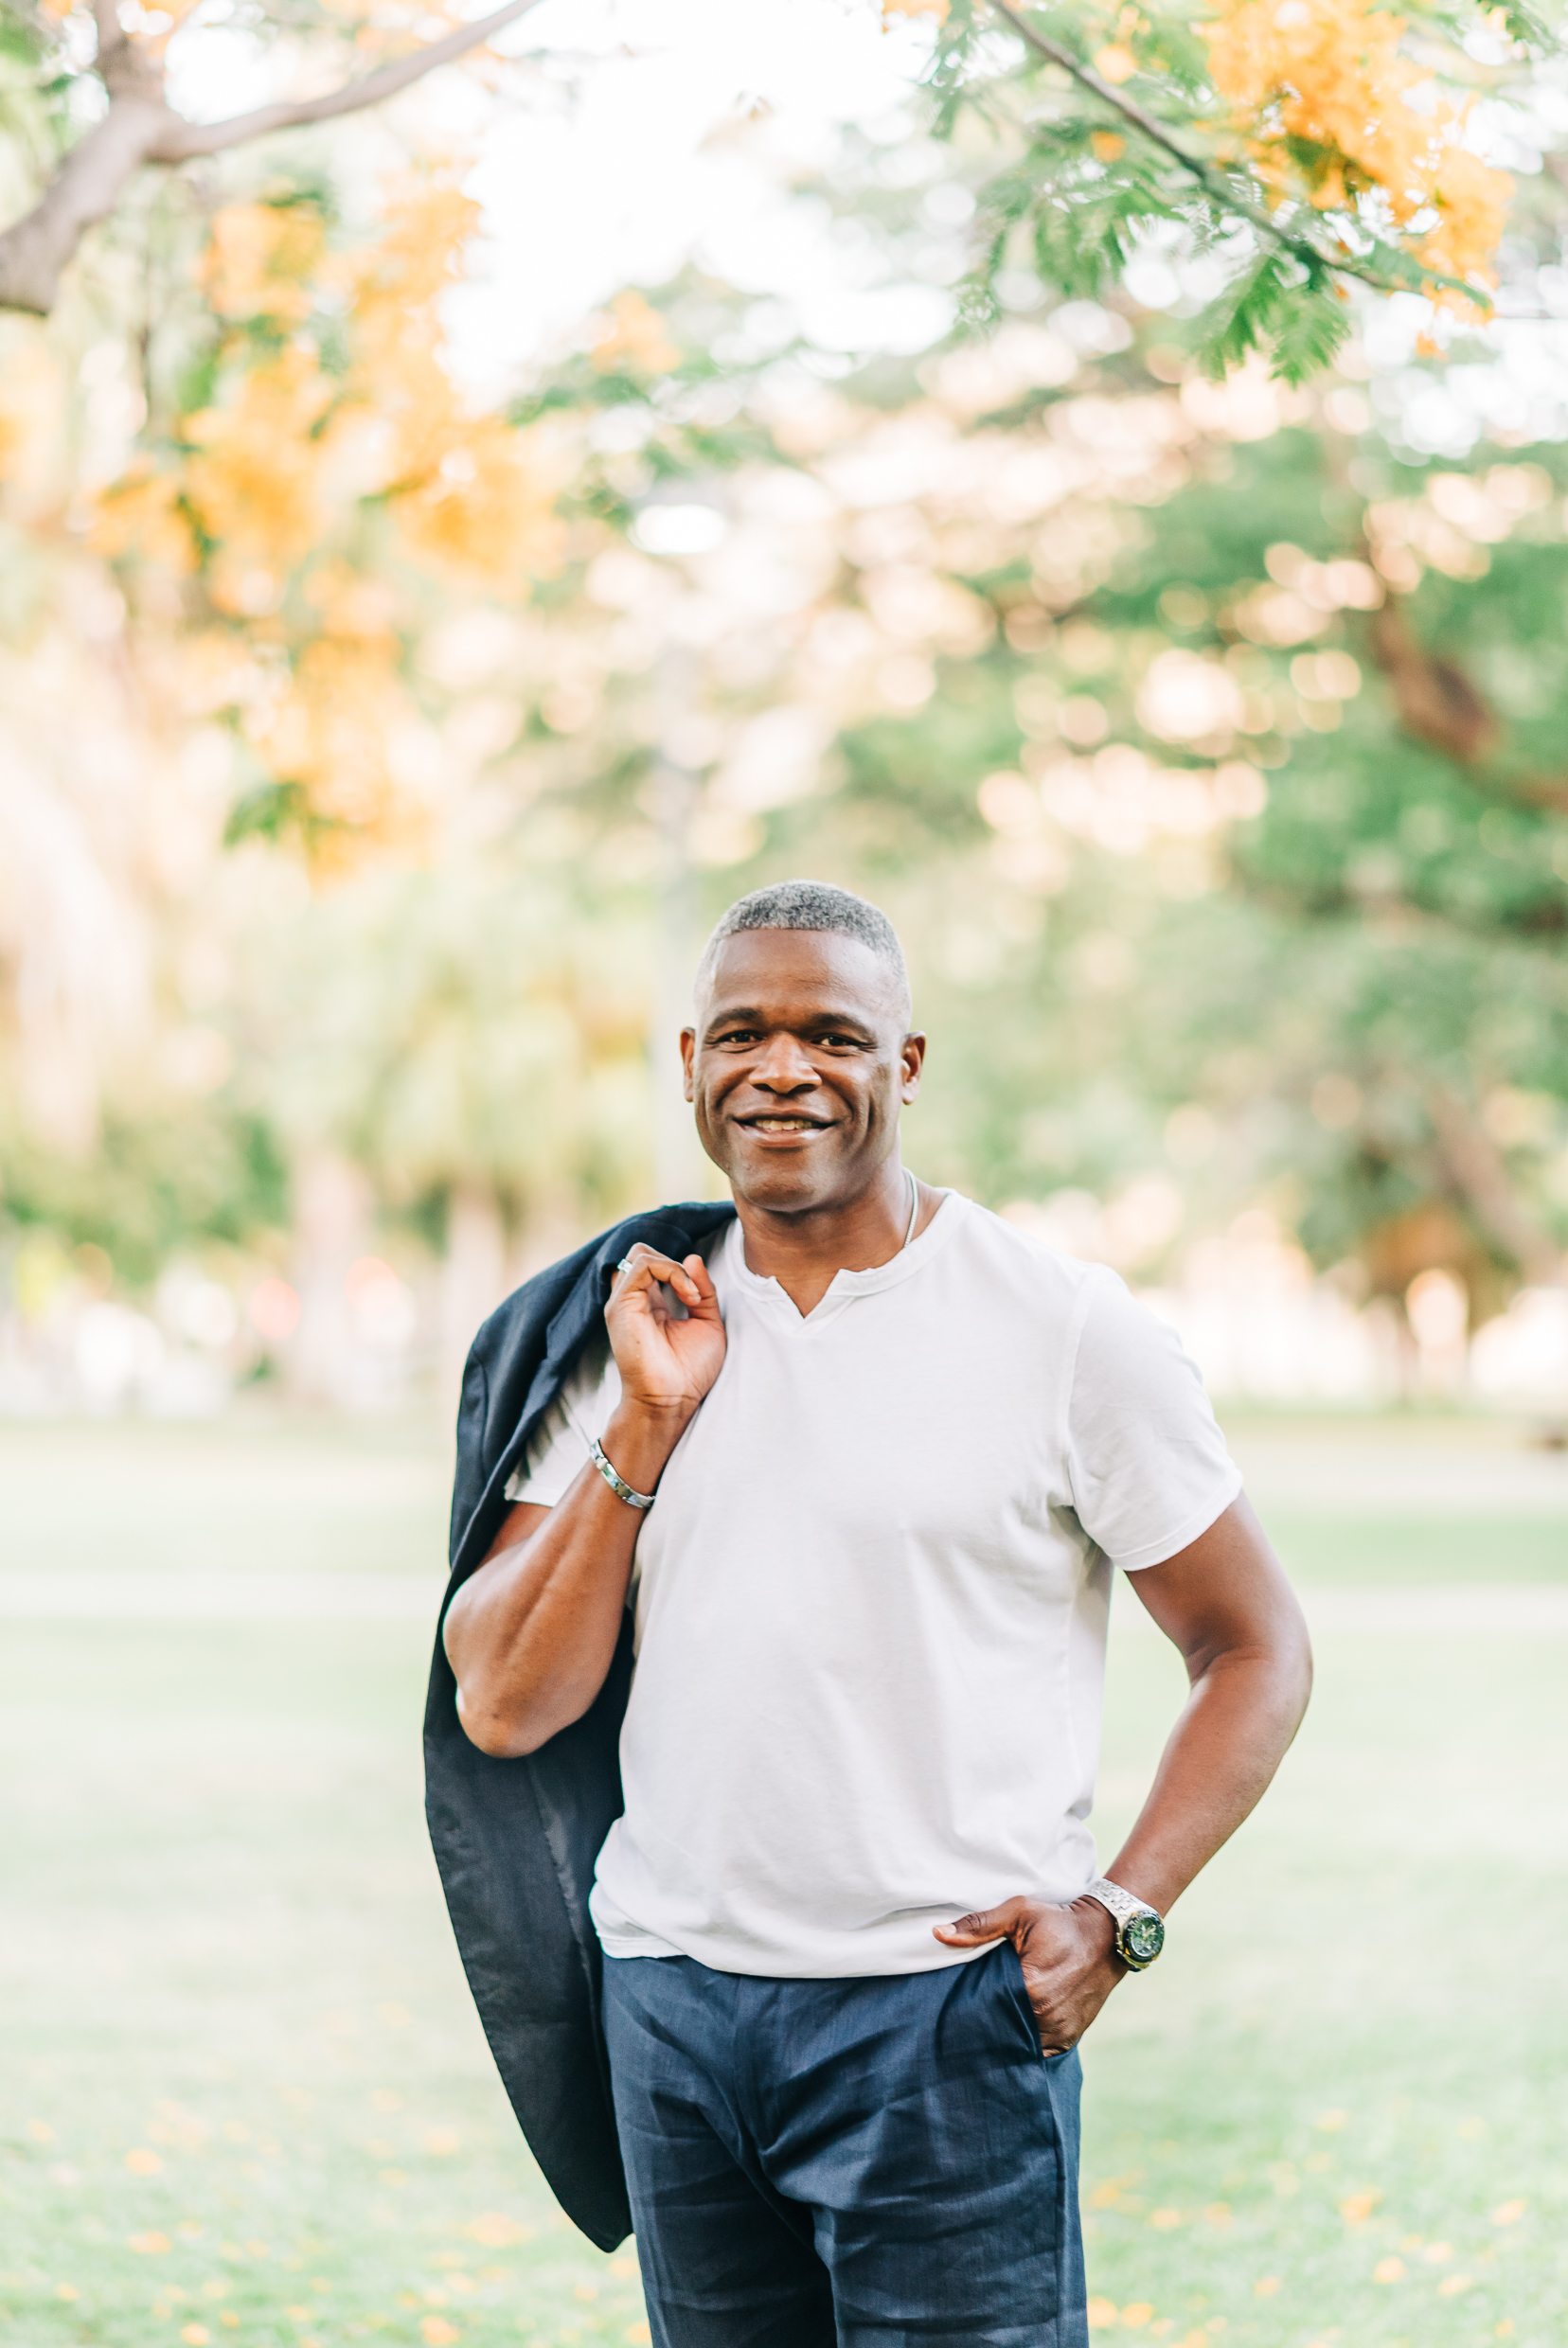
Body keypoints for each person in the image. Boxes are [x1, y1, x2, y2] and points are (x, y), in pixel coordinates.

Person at [435, 878, 1312, 2348]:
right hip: (673, 2011)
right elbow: (504, 1701)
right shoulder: (623, 1327)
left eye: (831, 1035)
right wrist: (646, 1417)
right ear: (692, 1063)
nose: (781, 1068)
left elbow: (1255, 1646)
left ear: (904, 1064)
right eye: (741, 1034)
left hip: (943, 2017)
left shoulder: (1063, 1329)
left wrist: (1121, 1914)